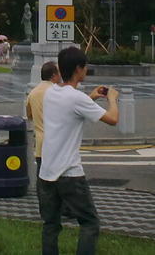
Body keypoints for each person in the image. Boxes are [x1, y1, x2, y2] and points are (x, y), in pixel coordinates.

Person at [38, 47, 119, 255]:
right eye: (85, 67)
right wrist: (113, 99)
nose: (86, 70)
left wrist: (90, 98)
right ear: (78, 69)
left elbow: (70, 110)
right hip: (70, 174)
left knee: (50, 224)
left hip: (46, 172)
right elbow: (112, 119)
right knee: (89, 222)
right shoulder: (76, 99)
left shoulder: (50, 94)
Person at [26, 61, 61, 177]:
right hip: (57, 144)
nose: (60, 75)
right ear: (53, 76)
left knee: (42, 180)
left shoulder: (33, 93)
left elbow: (29, 115)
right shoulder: (58, 92)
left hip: (41, 144)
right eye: (58, 73)